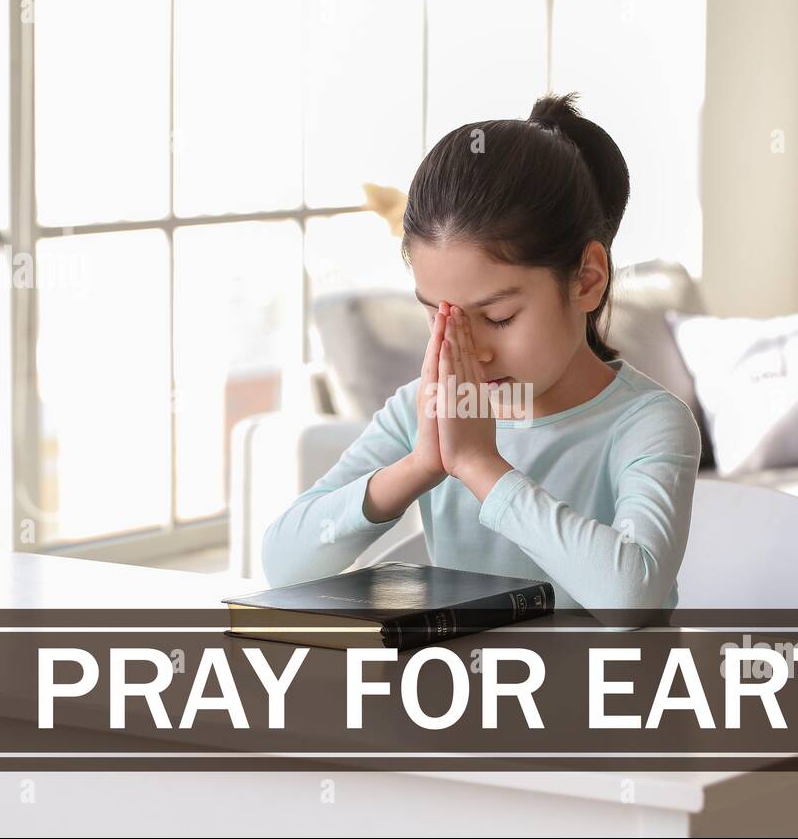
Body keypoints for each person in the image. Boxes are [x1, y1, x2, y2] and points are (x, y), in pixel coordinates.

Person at [262, 93, 700, 623]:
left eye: (499, 318)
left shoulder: (648, 423)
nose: (474, 352)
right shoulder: (425, 413)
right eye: (441, 319)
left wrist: (478, 465)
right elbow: (283, 561)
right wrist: (422, 465)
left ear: (587, 279)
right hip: (475, 699)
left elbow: (629, 598)